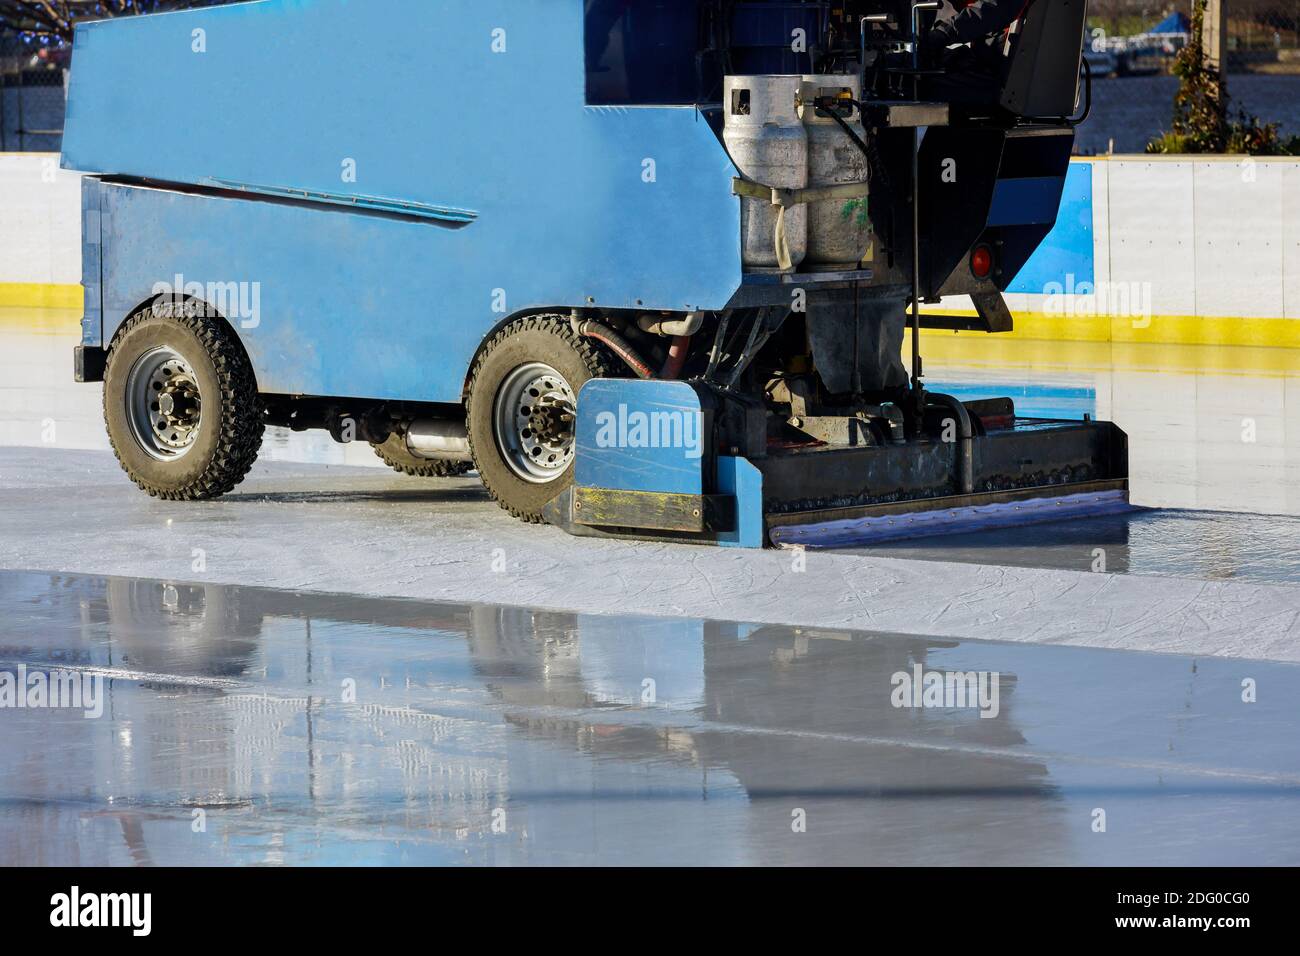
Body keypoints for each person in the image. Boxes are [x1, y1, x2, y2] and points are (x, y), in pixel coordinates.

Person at [920, 0, 1035, 110]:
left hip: (1008, 68)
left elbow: (998, 8)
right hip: (984, 55)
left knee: (925, 85)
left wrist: (944, 32)